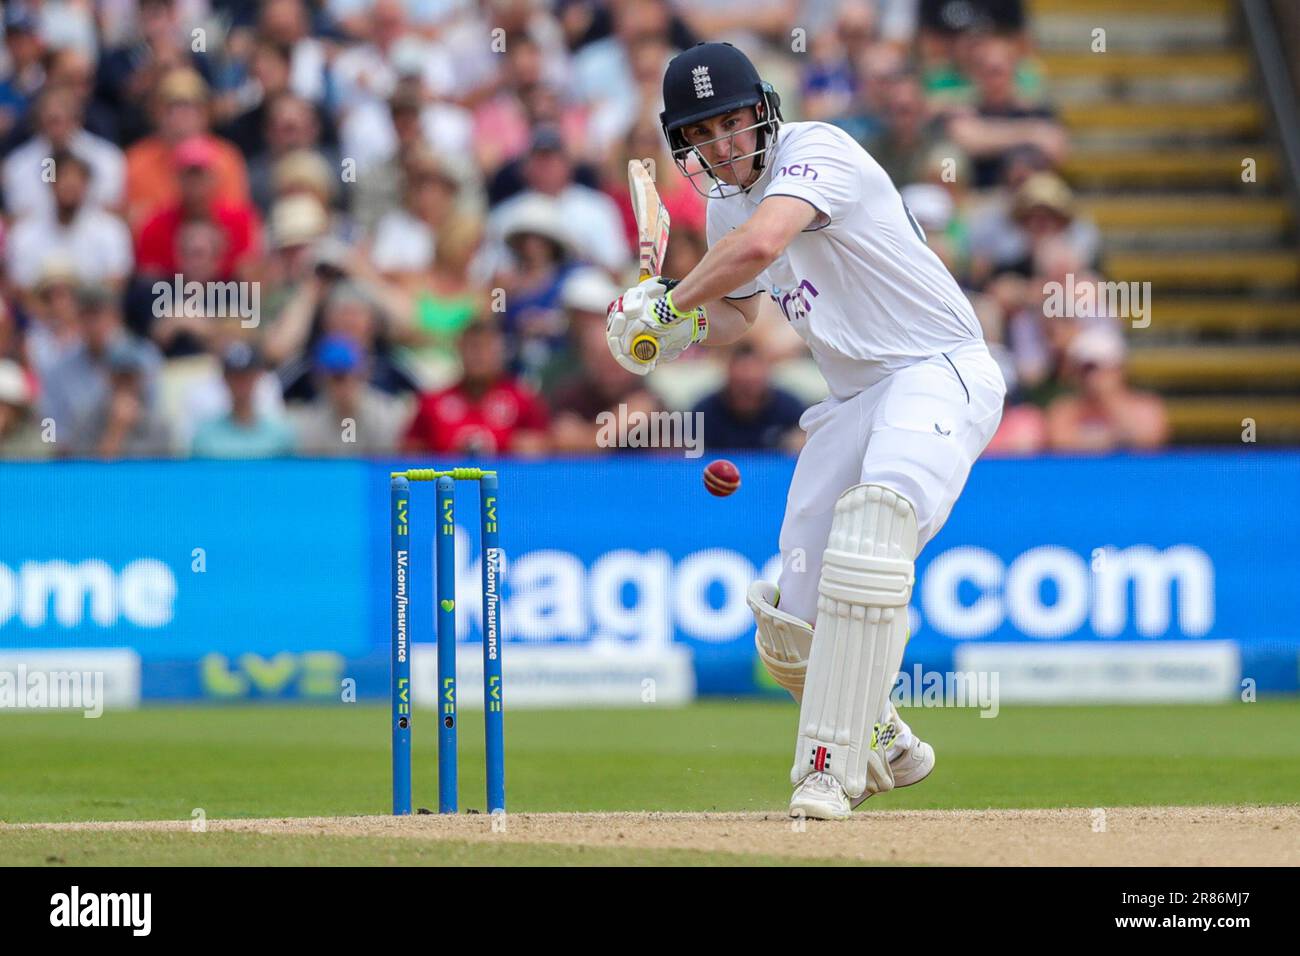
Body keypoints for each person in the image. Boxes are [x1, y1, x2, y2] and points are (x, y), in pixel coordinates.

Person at [606, 42, 1006, 820]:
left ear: (762, 110)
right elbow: (739, 313)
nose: (723, 146)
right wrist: (664, 325)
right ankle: (888, 738)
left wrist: (669, 300)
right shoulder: (726, 205)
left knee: (873, 528)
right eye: (703, 134)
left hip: (936, 369)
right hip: (854, 398)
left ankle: (829, 769)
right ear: (684, 145)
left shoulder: (817, 149)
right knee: (791, 630)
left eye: (732, 123)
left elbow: (759, 246)